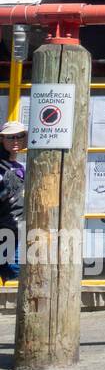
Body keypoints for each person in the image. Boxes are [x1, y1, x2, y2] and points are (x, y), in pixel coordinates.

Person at [0, 121, 26, 282]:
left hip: (19, 228)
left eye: (20, 136)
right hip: (5, 230)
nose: (16, 140)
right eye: (10, 137)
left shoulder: (21, 166)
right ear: (2, 139)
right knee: (15, 271)